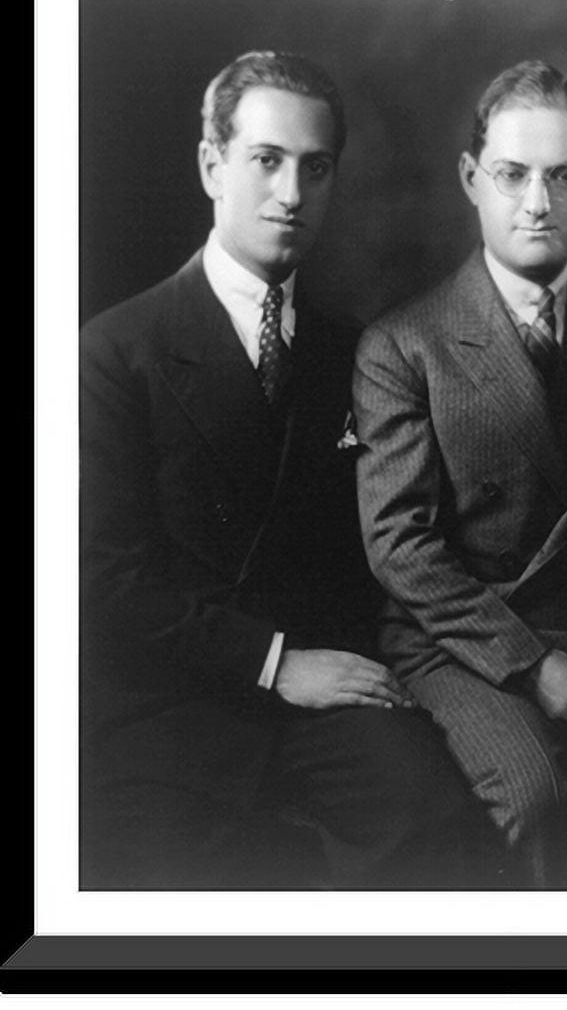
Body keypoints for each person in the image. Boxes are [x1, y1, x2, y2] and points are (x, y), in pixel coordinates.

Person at [80, 50, 491, 889]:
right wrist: (273, 662)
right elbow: (104, 581)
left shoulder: (356, 349)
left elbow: (386, 543)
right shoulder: (112, 353)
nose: (292, 194)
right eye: (266, 161)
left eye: (315, 167)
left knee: (436, 821)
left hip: (326, 692)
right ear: (211, 166)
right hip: (164, 702)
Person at [353, 60, 567, 887]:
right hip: (459, 639)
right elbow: (402, 551)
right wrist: (536, 665)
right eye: (512, 175)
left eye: (563, 176)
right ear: (472, 179)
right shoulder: (404, 344)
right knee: (539, 796)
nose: (537, 203)